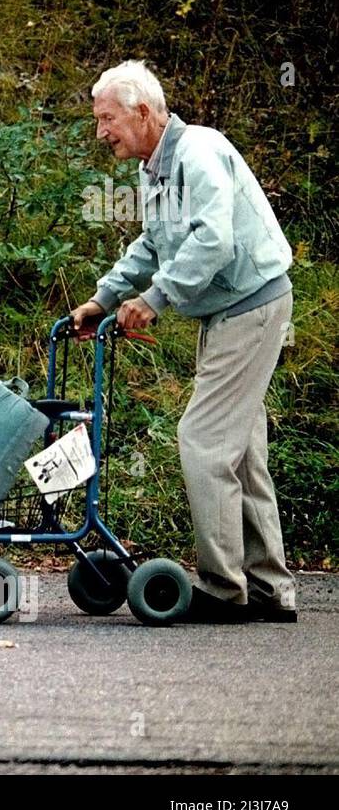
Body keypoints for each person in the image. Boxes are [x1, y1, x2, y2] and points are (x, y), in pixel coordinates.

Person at [71, 60, 296, 623]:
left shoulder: (198, 152)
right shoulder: (155, 168)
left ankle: (224, 590)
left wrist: (155, 299)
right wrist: (105, 297)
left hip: (251, 305)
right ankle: (270, 590)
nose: (101, 132)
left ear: (143, 112)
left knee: (202, 439)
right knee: (240, 451)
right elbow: (152, 243)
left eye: (107, 119)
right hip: (227, 312)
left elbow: (213, 238)